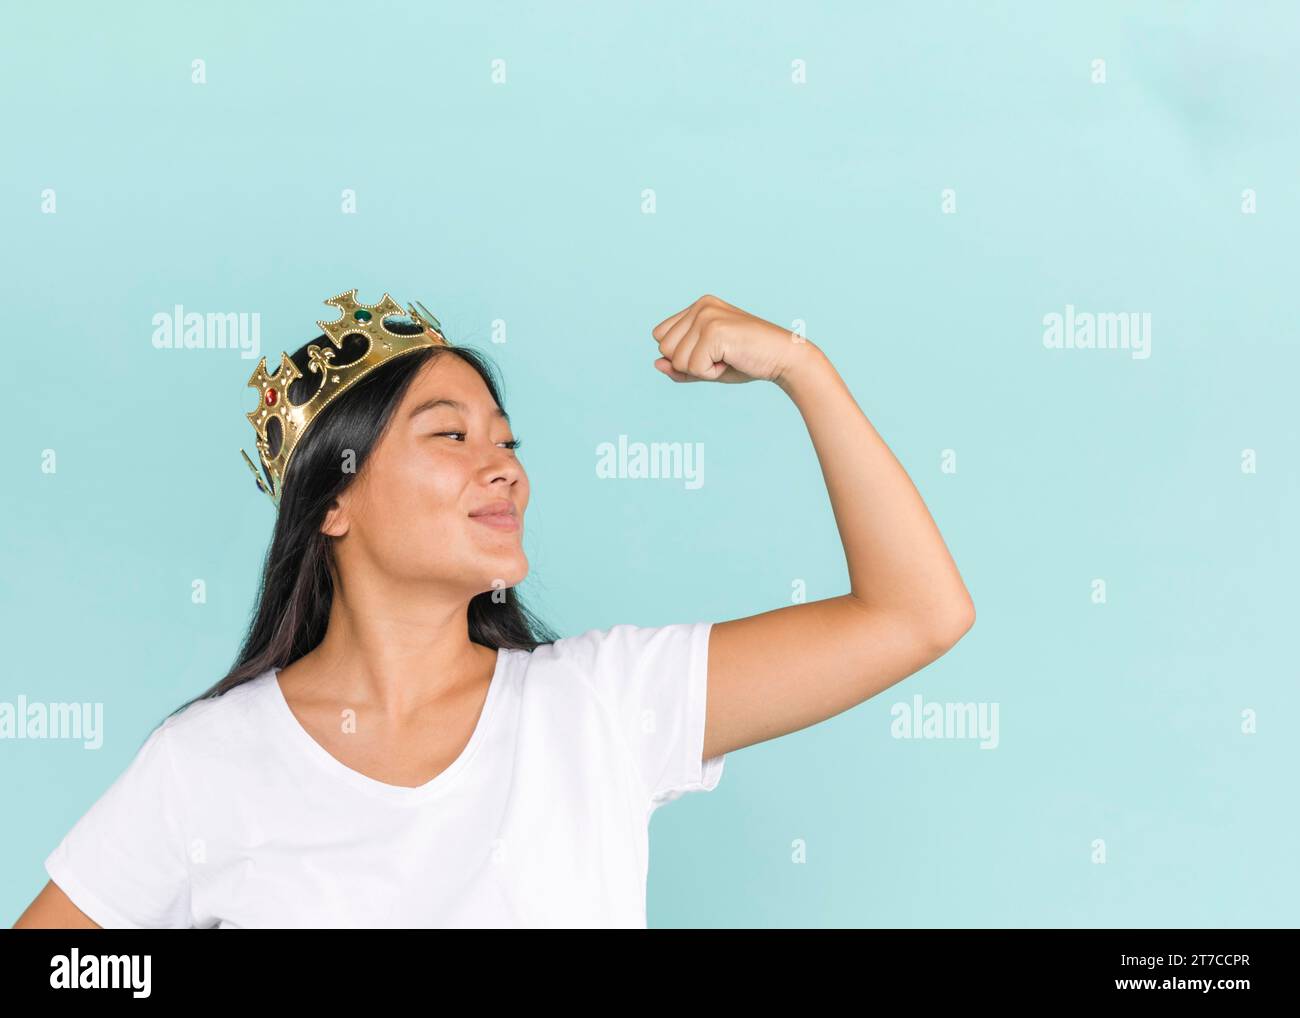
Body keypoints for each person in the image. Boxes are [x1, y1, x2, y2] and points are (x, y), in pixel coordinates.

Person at [14, 290, 975, 929]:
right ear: (334, 502)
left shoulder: (599, 706)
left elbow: (916, 613)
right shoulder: (208, 764)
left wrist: (801, 367)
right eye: (450, 434)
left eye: (507, 441)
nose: (503, 465)